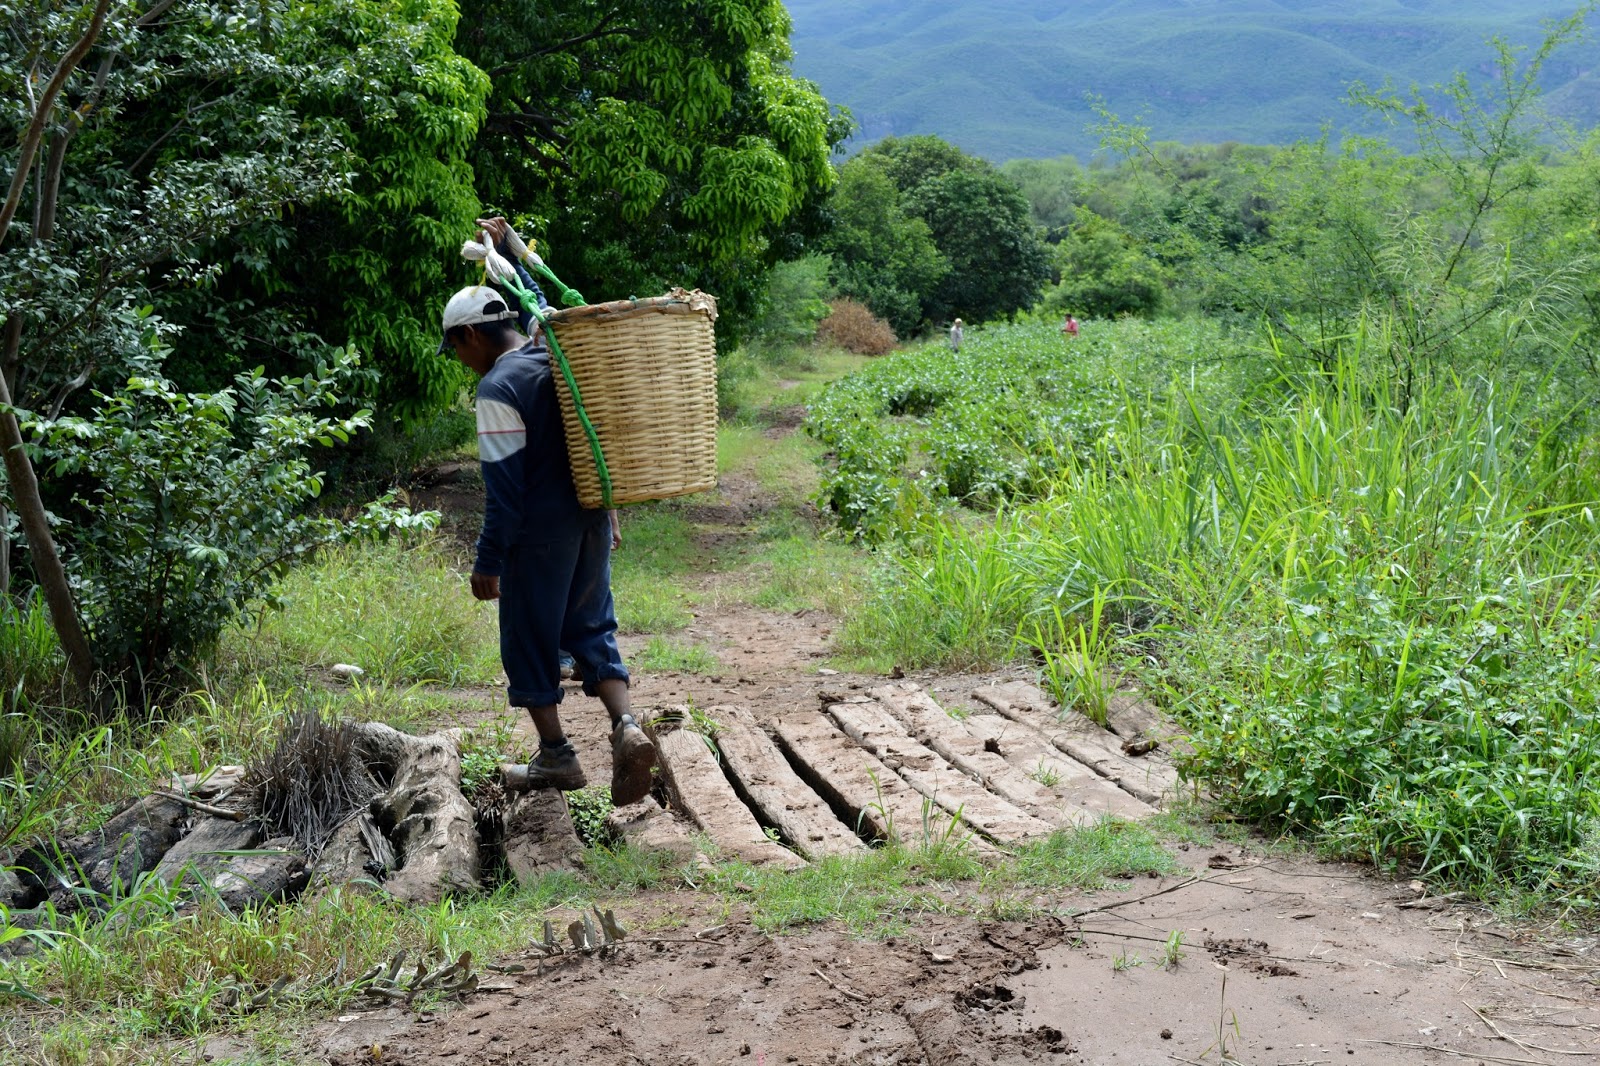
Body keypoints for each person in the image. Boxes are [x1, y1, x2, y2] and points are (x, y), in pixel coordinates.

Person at [443, 217, 655, 806]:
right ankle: (626, 726)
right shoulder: (555, 356)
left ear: (470, 336)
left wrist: (488, 559)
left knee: (528, 639)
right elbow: (540, 301)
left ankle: (557, 756)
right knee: (591, 627)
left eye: (456, 348)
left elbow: (505, 489)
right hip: (590, 518)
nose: (459, 359)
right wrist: (510, 253)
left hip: (538, 535)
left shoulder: (497, 390)